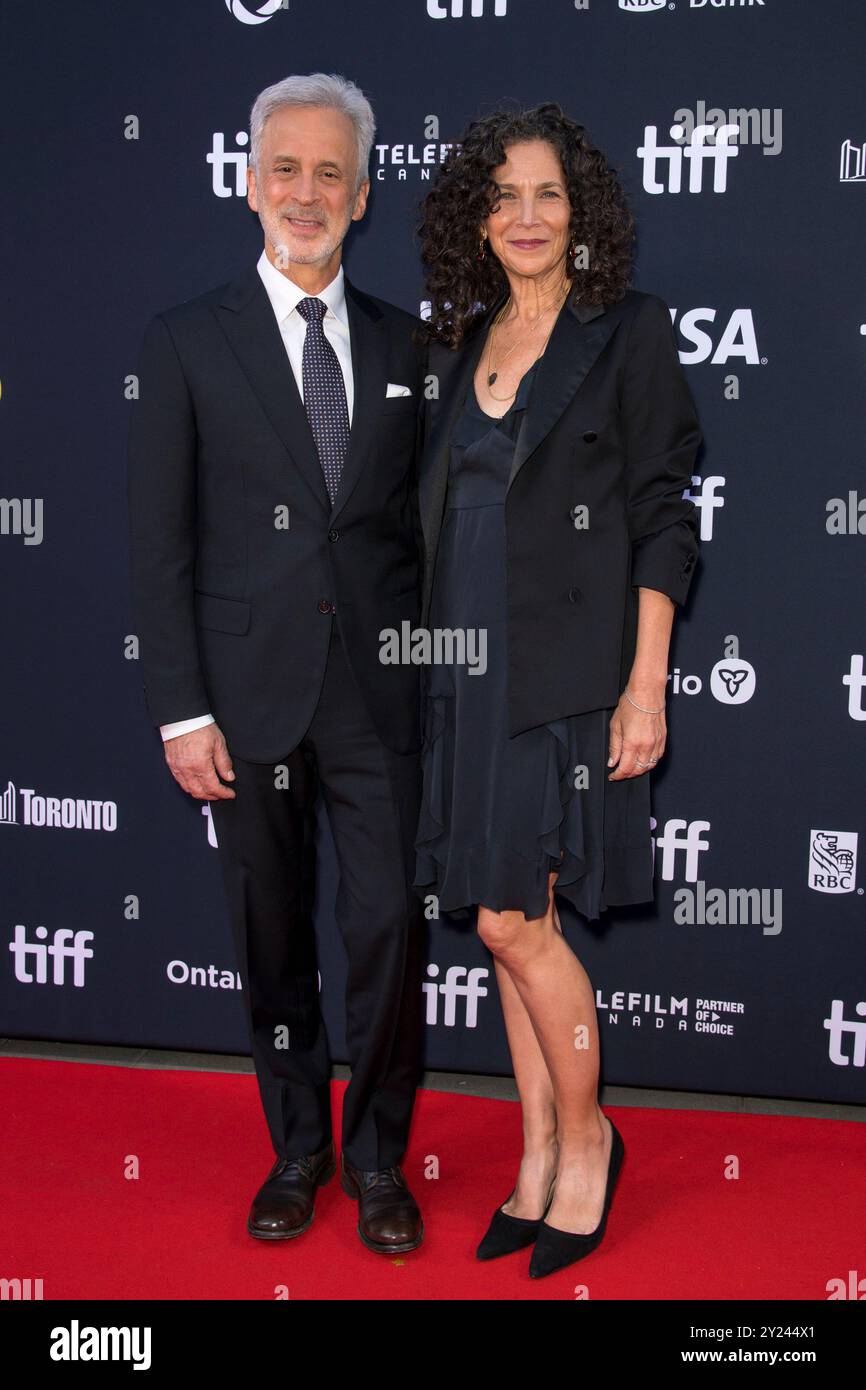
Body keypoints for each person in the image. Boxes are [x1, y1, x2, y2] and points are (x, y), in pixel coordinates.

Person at [127, 73, 426, 1254]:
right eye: (285, 169)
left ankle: (380, 1160)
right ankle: (297, 1149)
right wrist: (179, 711)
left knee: (391, 925)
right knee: (270, 931)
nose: (307, 193)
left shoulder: (412, 344)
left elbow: (422, 532)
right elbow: (159, 546)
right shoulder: (185, 341)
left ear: (360, 196)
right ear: (250, 183)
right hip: (244, 701)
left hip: (379, 695)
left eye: (329, 173)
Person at [414, 103, 702, 1277]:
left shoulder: (623, 334)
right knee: (499, 920)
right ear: (472, 220)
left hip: (568, 676)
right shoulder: (460, 341)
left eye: (545, 195)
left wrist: (647, 685)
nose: (523, 217)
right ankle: (534, 1151)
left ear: (577, 213)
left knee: (511, 922)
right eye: (501, 196)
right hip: (462, 673)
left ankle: (589, 1137)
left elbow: (661, 520)